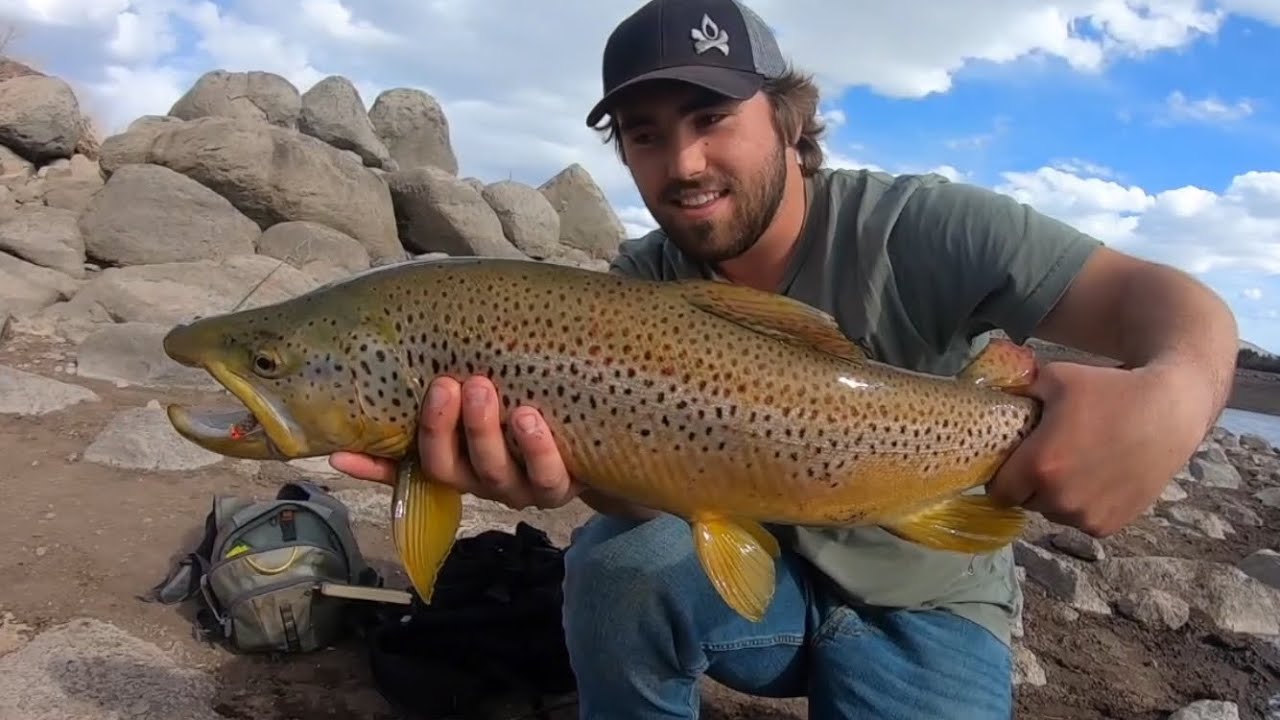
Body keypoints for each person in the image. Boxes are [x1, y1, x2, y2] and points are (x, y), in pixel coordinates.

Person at [330, 0, 1240, 717]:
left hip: (928, 600)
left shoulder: (920, 226)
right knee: (610, 564)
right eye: (645, 134)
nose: (685, 161)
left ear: (791, 120)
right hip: (760, 587)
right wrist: (560, 474)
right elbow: (644, 501)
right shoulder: (637, 288)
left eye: (712, 116)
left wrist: (1180, 392)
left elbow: (1164, 302)